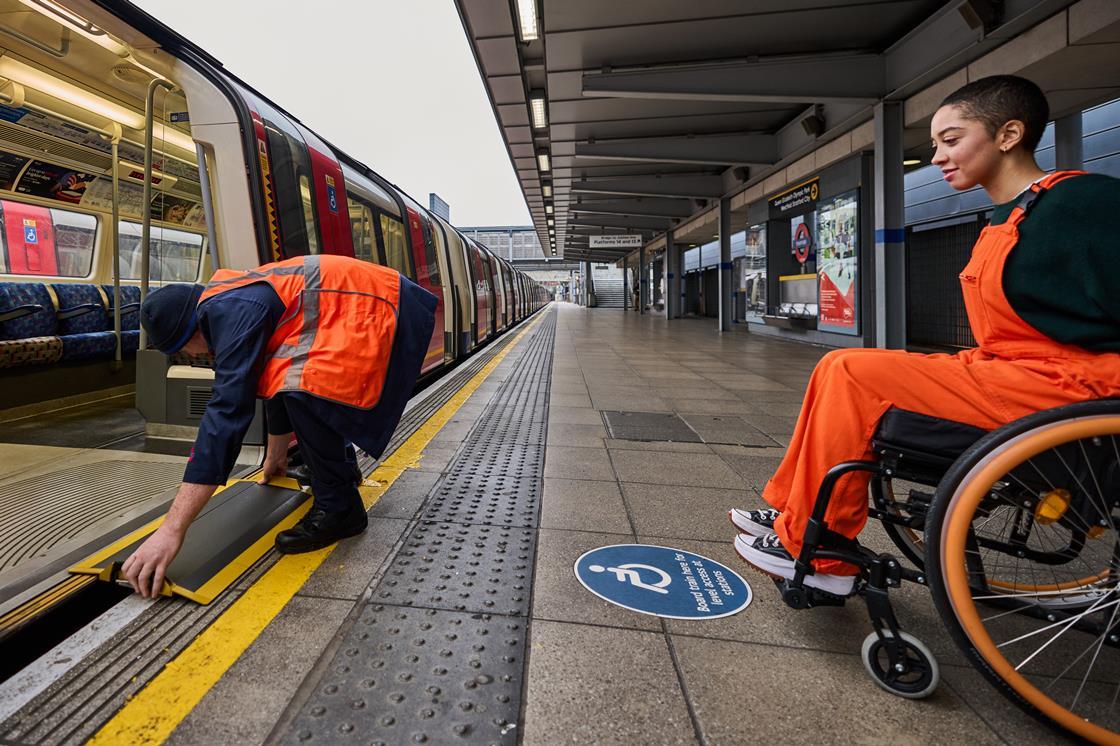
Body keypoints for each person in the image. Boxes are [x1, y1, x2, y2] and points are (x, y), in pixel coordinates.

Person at [731, 75, 1120, 596]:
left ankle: (818, 551)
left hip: (1072, 385)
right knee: (836, 366)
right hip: (1013, 370)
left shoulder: (1082, 203)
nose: (937, 156)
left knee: (853, 373)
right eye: (935, 144)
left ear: (1008, 134)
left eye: (952, 140)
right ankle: (795, 509)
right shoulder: (1010, 213)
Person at [123, 254, 437, 598]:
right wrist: (275, 455)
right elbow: (275, 376)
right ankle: (339, 475)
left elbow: (225, 417)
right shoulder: (227, 298)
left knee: (307, 386)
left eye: (187, 350)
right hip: (383, 304)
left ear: (192, 329)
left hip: (382, 310)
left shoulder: (232, 315)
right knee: (295, 380)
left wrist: (172, 529)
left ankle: (340, 509)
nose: (197, 357)